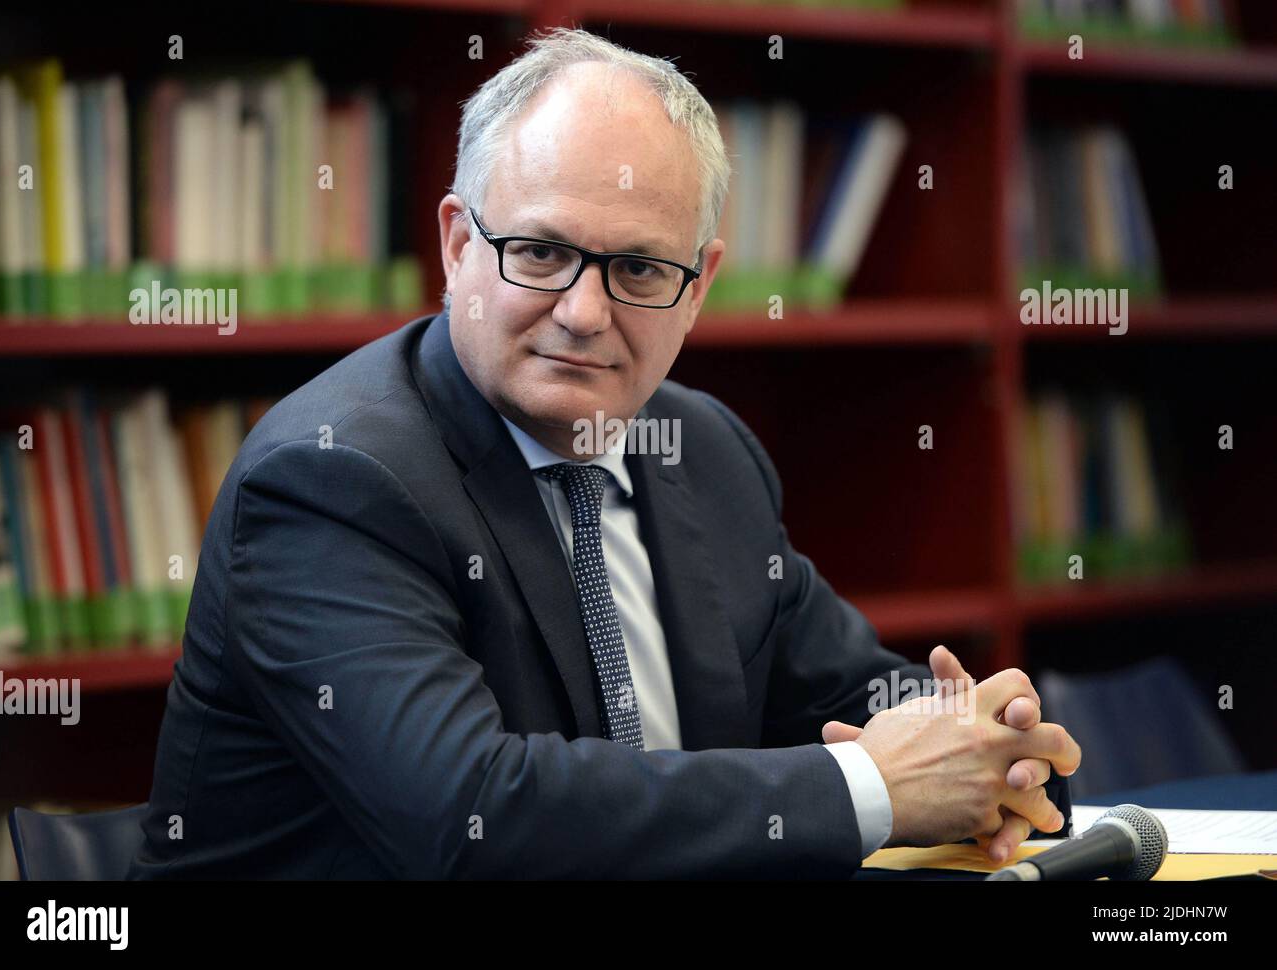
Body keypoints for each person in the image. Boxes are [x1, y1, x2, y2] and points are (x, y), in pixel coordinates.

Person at [129, 27, 1078, 880]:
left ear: (698, 285)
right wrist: (870, 786)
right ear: (458, 244)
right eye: (539, 254)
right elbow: (473, 818)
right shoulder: (332, 479)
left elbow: (852, 695)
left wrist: (995, 752)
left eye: (637, 269)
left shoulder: (703, 452)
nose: (584, 315)